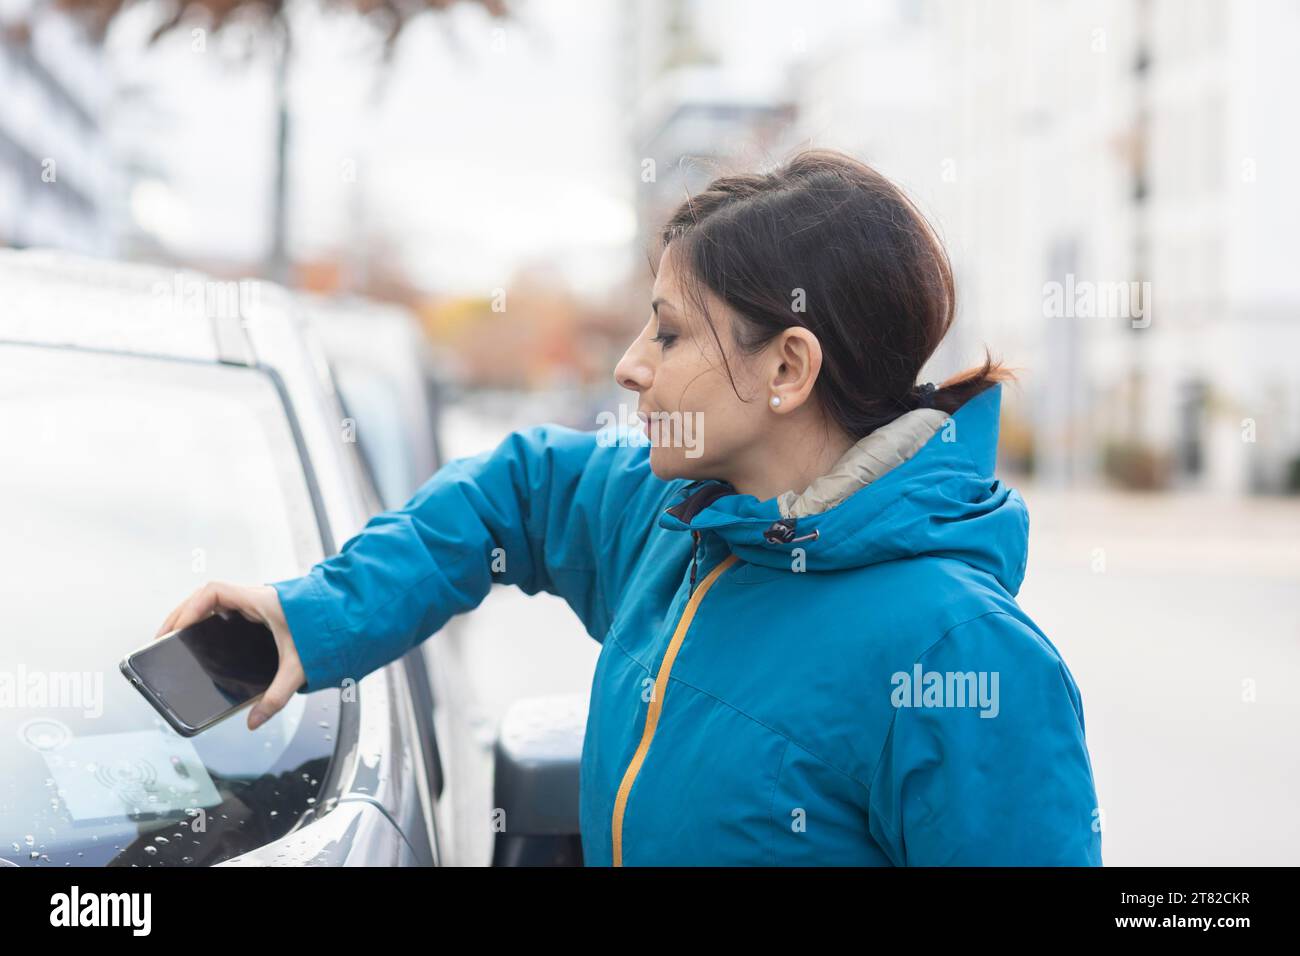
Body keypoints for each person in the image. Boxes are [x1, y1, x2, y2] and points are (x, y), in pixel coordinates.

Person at [156, 149, 1103, 866]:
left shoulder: (965, 658)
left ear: (788, 368)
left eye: (672, 330)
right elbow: (515, 491)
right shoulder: (674, 519)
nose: (630, 365)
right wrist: (314, 616)